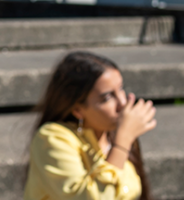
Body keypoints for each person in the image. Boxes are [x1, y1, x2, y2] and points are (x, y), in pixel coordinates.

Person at [25, 51, 156, 200]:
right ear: (77, 110)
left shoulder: (112, 135)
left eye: (120, 89)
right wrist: (122, 142)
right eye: (107, 98)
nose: (122, 103)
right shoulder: (52, 138)